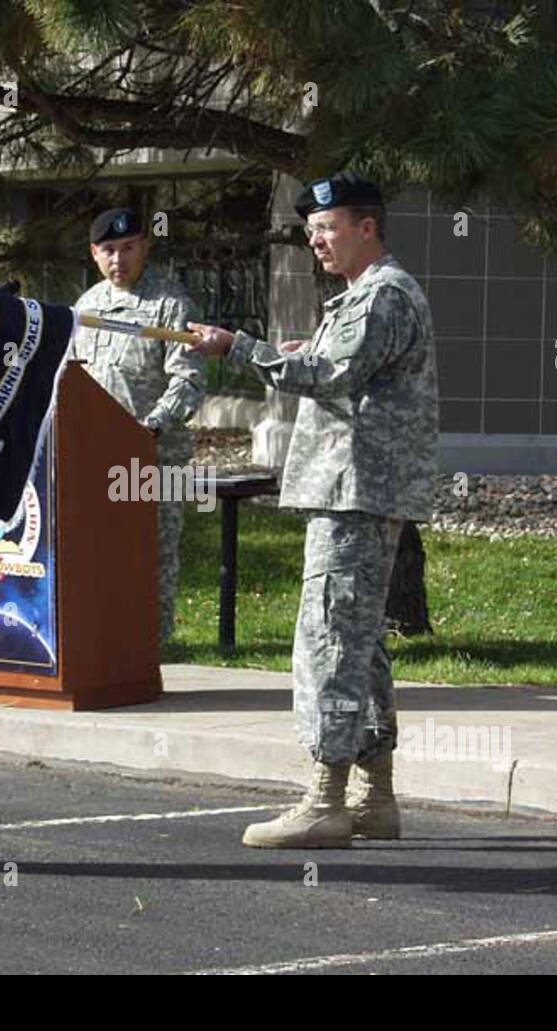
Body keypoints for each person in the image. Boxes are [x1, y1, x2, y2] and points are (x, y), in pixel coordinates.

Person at [187, 172, 438, 848]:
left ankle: (324, 796)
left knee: (329, 636)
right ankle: (373, 794)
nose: (315, 240)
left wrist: (236, 347)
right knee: (360, 643)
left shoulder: (382, 296)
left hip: (355, 492)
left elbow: (329, 376)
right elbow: (338, 366)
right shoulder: (364, 297)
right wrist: (304, 351)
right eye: (311, 230)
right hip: (355, 489)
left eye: (327, 229)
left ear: (367, 227)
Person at [72, 207, 204, 642]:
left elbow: (187, 381)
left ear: (145, 246)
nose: (118, 259)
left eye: (128, 248)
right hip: (95, 453)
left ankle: (152, 645)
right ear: (94, 253)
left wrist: (150, 427)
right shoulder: (87, 306)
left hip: (154, 458)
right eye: (108, 250)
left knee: (153, 554)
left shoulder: (171, 305)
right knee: (96, 551)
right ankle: (104, 640)